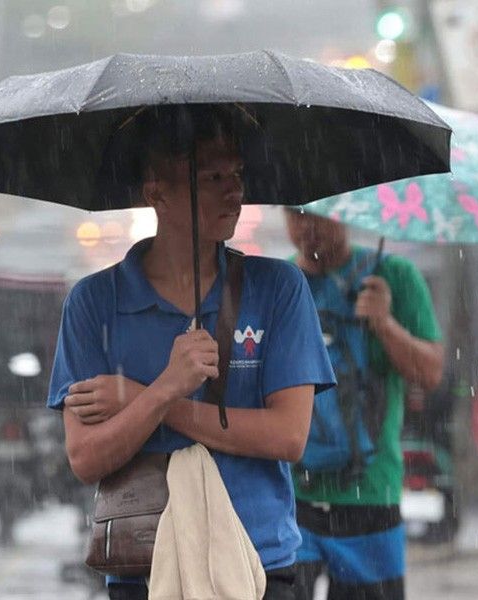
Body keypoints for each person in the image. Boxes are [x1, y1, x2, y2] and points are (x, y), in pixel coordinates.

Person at [47, 106, 336, 600]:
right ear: (156, 190)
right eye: (212, 176)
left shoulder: (277, 288)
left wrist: (147, 399)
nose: (235, 191)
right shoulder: (94, 302)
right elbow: (86, 458)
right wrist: (165, 387)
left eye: (238, 173)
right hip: (144, 564)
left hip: (257, 563)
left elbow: (288, 436)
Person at [284, 210, 444, 600]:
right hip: (290, 497)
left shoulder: (394, 276)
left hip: (370, 492)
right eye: (295, 215)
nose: (308, 228)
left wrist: (385, 323)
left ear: (345, 210)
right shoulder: (279, 281)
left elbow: (431, 373)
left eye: (318, 215)